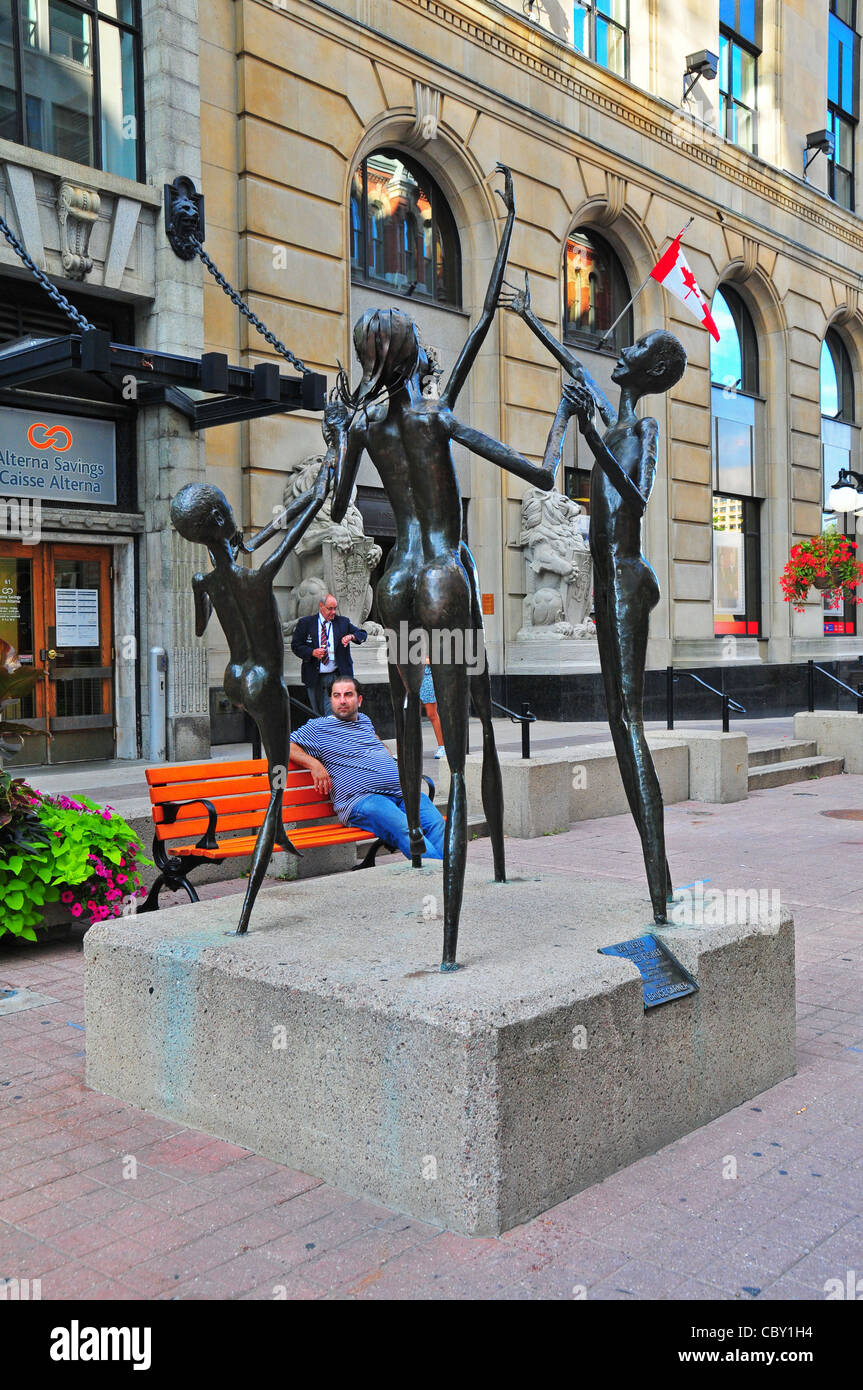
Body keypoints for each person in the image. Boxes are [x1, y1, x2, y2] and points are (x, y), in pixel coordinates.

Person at [323, 165, 575, 969]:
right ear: (407, 352)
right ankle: (452, 939)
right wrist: (504, 221)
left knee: (402, 719)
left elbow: (336, 508)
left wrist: (338, 432)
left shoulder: (362, 420)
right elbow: (532, 472)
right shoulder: (436, 411)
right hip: (442, 576)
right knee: (466, 747)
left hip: (395, 579)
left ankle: (417, 867)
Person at [170, 460, 332, 934]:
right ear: (221, 521)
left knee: (273, 776)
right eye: (226, 511)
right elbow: (292, 531)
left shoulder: (207, 581)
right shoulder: (256, 576)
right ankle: (246, 911)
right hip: (265, 682)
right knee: (276, 788)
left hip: (235, 676)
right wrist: (318, 492)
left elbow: (202, 626)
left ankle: (276, 827)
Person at [559, 334, 687, 922]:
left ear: (651, 369)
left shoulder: (643, 431)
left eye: (635, 348)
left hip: (628, 578)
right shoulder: (616, 422)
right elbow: (577, 370)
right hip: (606, 584)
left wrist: (586, 435)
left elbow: (637, 494)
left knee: (629, 721)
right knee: (617, 719)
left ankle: (659, 882)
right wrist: (528, 317)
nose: (620, 350)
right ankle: (657, 877)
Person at [289, 675, 445, 860]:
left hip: (400, 792)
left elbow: (374, 740)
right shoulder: (318, 728)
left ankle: (447, 878)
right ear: (330, 700)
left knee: (438, 824)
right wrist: (314, 764)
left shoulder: (364, 721)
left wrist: (383, 752)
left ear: (359, 700)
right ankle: (437, 877)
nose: (342, 700)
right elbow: (284, 745)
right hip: (362, 800)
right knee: (406, 828)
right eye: (336, 695)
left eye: (348, 694)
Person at [290, 593, 368, 715]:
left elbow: (362, 634)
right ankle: (323, 733)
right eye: (330, 608)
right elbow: (296, 646)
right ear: (321, 606)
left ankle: (331, 733)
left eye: (335, 608)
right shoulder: (306, 623)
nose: (333, 612)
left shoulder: (343, 622)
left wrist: (351, 636)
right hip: (313, 675)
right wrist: (312, 652)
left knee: (331, 713)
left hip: (336, 676)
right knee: (316, 713)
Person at [419, 659, 446, 759]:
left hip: (427, 679)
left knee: (432, 714)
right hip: (412, 679)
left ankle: (442, 746)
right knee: (409, 715)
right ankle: (406, 749)